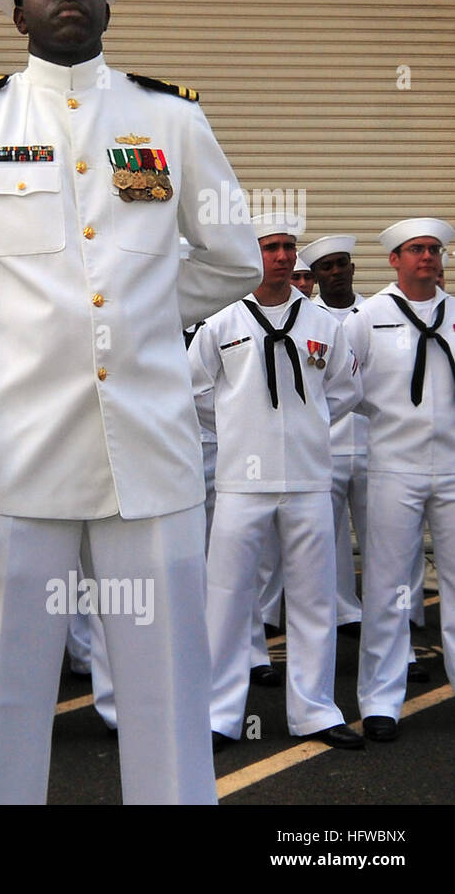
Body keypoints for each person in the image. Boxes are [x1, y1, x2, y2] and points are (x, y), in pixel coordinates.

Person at [0, 0, 263, 804]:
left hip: (148, 456)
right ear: (16, 9)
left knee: (169, 696)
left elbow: (231, 257)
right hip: (19, 461)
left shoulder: (171, 120)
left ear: (108, 1)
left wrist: (144, 313)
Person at [190, 219, 363, 751]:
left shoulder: (322, 323)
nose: (284, 257)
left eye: (289, 248)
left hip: (309, 478)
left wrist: (302, 430)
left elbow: (344, 391)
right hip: (242, 480)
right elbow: (194, 392)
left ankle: (314, 711)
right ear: (252, 254)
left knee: (313, 600)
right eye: (272, 248)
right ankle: (220, 713)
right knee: (226, 598)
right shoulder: (220, 320)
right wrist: (246, 431)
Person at [346, 217, 455, 742]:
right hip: (393, 467)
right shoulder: (368, 317)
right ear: (394, 259)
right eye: (416, 250)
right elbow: (343, 390)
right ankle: (382, 699)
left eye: (434, 249)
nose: (427, 258)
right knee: (389, 589)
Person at [301, 234, 369, 632]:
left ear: (353, 267)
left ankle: (401, 610)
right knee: (331, 538)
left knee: (385, 540)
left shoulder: (375, 313)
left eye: (342, 263)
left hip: (373, 441)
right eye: (326, 267)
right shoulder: (308, 319)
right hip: (325, 444)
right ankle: (343, 610)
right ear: (315, 276)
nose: (336, 272)